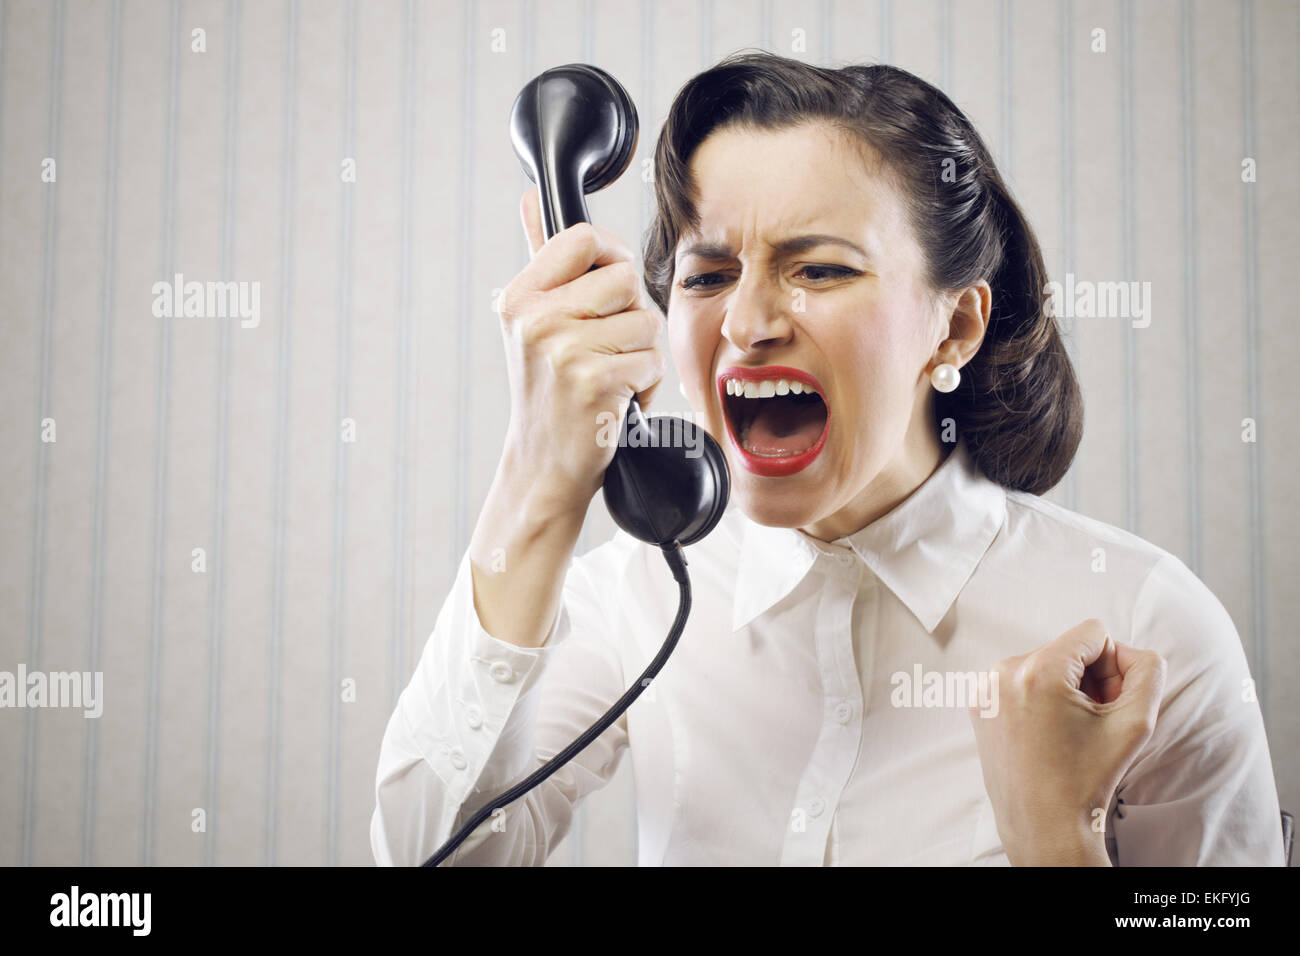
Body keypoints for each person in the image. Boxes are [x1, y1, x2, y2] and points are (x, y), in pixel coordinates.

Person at [370, 52, 1285, 866]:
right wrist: (538, 475)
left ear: (954, 326)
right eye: (708, 275)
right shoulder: (629, 601)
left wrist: (1055, 839)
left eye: (819, 270)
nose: (749, 324)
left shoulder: (1152, 626)